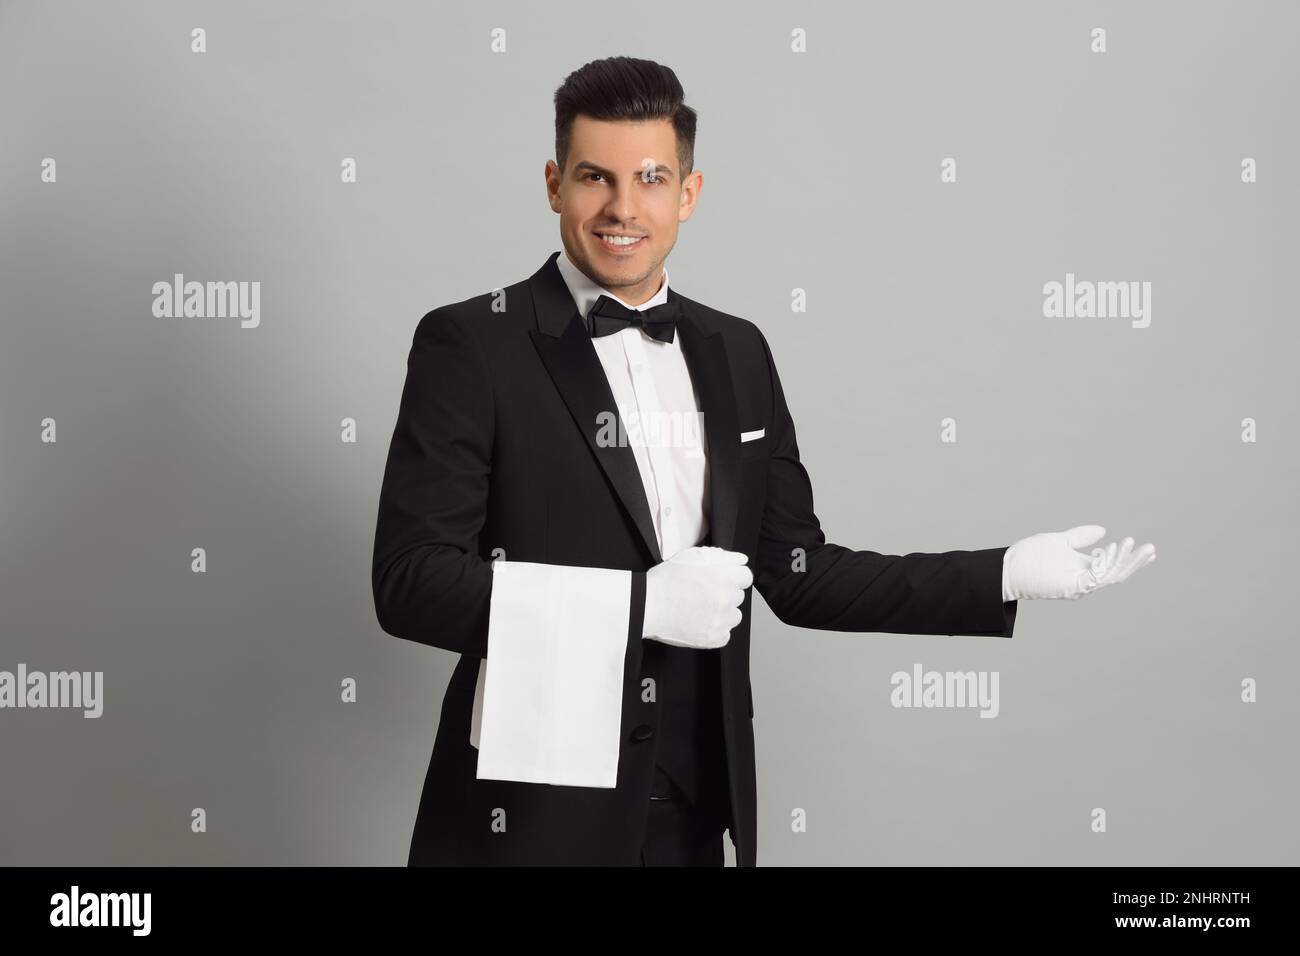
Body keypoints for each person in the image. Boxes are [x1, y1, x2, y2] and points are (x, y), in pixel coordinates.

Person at [370, 56, 1157, 867]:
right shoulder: (472, 342)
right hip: (532, 817)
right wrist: (637, 607)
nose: (623, 208)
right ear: (553, 185)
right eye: (594, 177)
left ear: (689, 193)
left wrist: (1001, 574)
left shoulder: (737, 351)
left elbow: (797, 570)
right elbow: (411, 584)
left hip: (693, 811)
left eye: (650, 178)